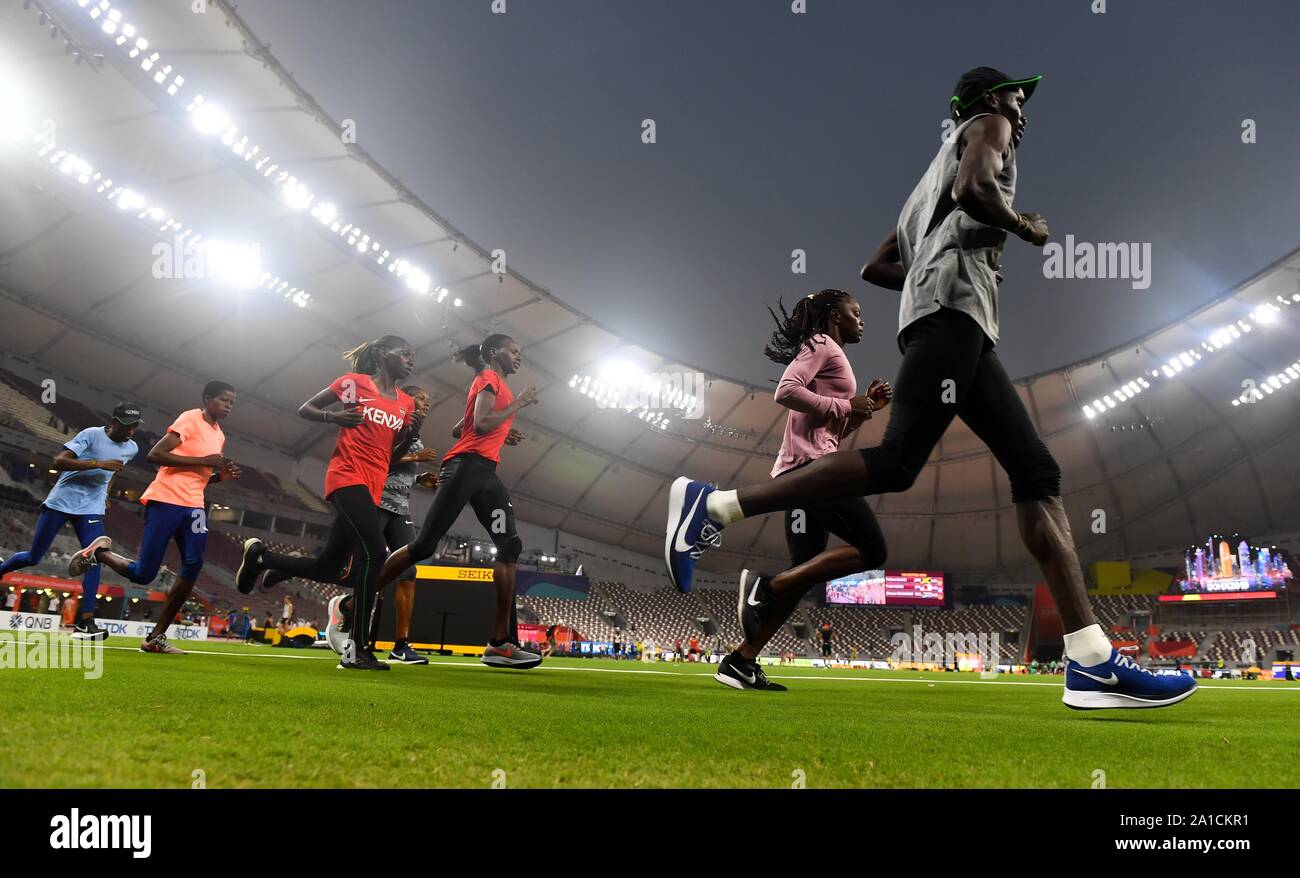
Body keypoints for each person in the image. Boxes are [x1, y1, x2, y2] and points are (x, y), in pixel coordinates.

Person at [664, 67, 1196, 711]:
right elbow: (976, 189)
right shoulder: (985, 129)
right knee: (898, 463)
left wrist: (935, 264)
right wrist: (1023, 225)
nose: (1021, 113)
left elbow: (876, 265)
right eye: (1014, 98)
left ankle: (1090, 663)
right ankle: (715, 507)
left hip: (950, 317)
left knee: (1036, 469)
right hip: (953, 316)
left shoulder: (923, 185)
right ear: (983, 101)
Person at [716, 290, 891, 691]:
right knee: (873, 549)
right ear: (835, 315)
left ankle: (740, 661)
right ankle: (766, 586)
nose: (862, 320)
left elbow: (832, 431)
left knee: (802, 572)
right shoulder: (822, 343)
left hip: (806, 467)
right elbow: (786, 390)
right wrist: (849, 405)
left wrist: (864, 411)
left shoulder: (832, 354)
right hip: (811, 471)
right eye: (856, 312)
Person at [234, 335, 421, 672]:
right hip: (347, 476)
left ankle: (262, 558)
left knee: (328, 568)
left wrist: (409, 435)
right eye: (405, 354)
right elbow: (307, 408)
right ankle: (357, 649)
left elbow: (388, 456)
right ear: (382, 354)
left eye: (413, 356)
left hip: (374, 484)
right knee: (376, 554)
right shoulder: (354, 384)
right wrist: (333, 418)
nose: (411, 360)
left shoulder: (405, 403)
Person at [371, 334, 540, 669]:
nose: (519, 357)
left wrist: (504, 430)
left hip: (485, 473)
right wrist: (518, 404)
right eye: (514, 351)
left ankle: (500, 644)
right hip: (465, 468)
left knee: (510, 546)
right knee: (422, 547)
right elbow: (479, 424)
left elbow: (458, 428)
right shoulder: (489, 378)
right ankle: (354, 602)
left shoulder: (493, 384)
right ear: (495, 353)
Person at [256, 386, 441, 665]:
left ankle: (401, 644)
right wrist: (415, 458)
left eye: (429, 401)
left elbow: (396, 473)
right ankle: (328, 596)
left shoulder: (413, 432)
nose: (427, 404)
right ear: (406, 399)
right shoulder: (388, 420)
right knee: (352, 573)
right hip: (372, 501)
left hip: (399, 508)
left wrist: (418, 478)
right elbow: (378, 461)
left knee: (408, 571)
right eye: (422, 398)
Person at [70, 387, 240, 654]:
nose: (228, 406)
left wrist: (220, 477)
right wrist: (202, 460)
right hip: (166, 500)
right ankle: (100, 553)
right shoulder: (190, 419)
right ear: (207, 399)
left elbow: (199, 474)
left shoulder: (219, 434)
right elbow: (155, 456)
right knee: (144, 574)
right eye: (223, 400)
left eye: (232, 402)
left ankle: (155, 637)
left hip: (194, 505)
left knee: (194, 565)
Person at [0, 402, 142, 640]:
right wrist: (97, 463)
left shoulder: (132, 448)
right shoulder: (91, 435)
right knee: (34, 557)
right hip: (61, 502)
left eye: (135, 427)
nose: (131, 432)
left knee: (95, 558)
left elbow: (113, 472)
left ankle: (86, 622)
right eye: (127, 426)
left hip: (91, 507)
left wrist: (106, 493)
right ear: (114, 421)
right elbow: (59, 461)